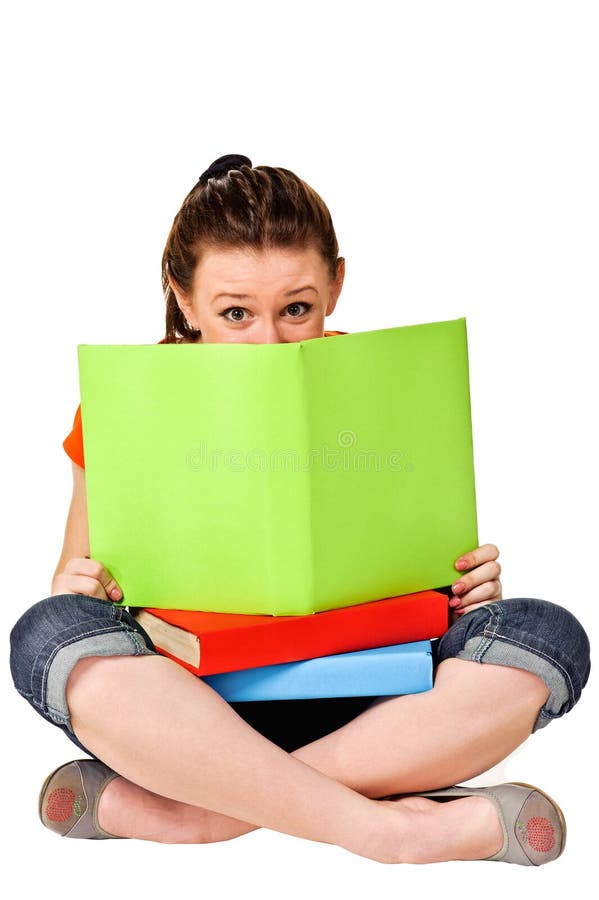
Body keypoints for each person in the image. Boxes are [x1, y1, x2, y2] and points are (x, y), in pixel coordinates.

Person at [10, 154, 591, 866]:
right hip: (188, 709)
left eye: (296, 308)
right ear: (184, 299)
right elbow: (79, 582)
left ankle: (197, 816)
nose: (269, 341)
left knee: (544, 637)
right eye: (234, 314)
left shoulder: (382, 380)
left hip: (379, 702)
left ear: (335, 286)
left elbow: (428, 566)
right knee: (48, 635)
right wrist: (80, 588)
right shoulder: (124, 402)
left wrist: (465, 591)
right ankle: (389, 828)